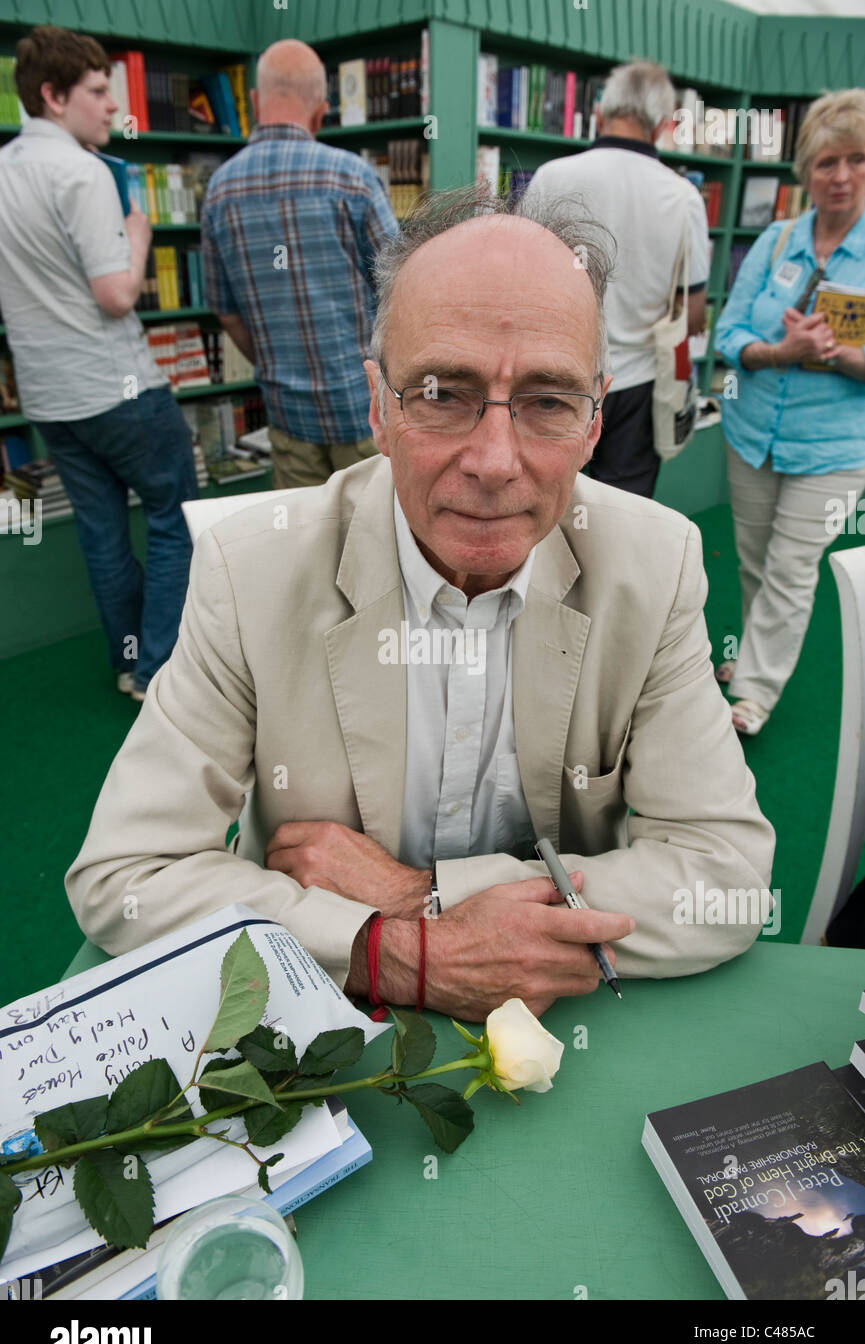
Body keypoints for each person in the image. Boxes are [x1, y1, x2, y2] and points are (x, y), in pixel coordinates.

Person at [65, 189, 774, 1022]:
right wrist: (385, 953)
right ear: (377, 406)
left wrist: (419, 897)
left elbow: (722, 878)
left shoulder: (654, 565)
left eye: (547, 401)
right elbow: (128, 878)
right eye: (442, 392)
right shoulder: (249, 569)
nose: (494, 461)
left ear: (592, 422)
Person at [0, 26, 198, 701]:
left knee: (102, 531)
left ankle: (129, 661)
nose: (114, 106)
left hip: (48, 395)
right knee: (176, 513)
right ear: (54, 96)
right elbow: (115, 294)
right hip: (116, 388)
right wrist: (137, 236)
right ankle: (160, 671)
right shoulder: (82, 173)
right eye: (97, 92)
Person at [714, 89, 865, 736]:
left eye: (857, 160)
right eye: (826, 162)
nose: (841, 176)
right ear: (804, 170)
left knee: (789, 568)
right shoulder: (776, 241)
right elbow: (725, 336)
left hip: (832, 450)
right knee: (752, 558)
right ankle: (755, 654)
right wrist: (781, 351)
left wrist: (836, 356)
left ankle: (752, 691)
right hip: (750, 435)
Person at [200, 39, 399, 490]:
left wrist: (272, 358)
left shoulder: (220, 190)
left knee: (304, 550)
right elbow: (404, 283)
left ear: (253, 102)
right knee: (380, 545)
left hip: (288, 417)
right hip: (366, 416)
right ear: (321, 111)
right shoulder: (350, 176)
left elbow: (225, 311)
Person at [521, 60, 709, 498]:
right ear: (663, 125)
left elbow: (521, 278)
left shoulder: (553, 176)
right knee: (625, 508)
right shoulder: (683, 197)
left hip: (558, 373)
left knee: (546, 495)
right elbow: (694, 314)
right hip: (640, 382)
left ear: (602, 112)